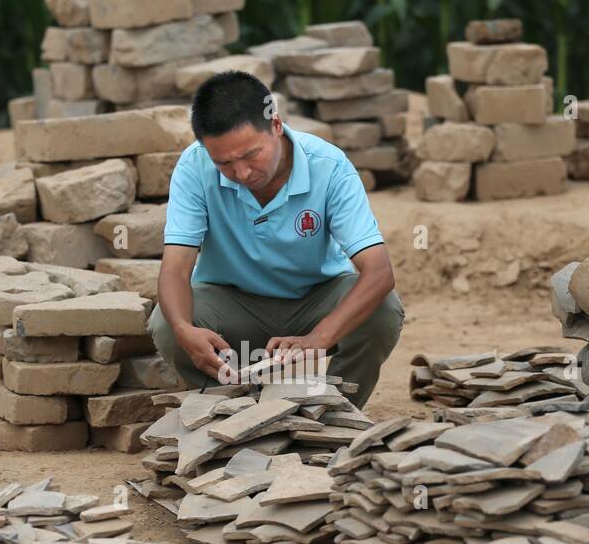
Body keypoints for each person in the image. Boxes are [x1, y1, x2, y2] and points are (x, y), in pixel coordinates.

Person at [148, 70, 404, 409]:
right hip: (232, 306)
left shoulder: (329, 166)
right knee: (167, 322)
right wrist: (183, 329)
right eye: (224, 163)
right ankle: (232, 413)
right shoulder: (194, 168)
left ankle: (334, 412)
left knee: (383, 311)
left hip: (316, 299)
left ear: (276, 125)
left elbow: (379, 272)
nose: (241, 173)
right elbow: (175, 270)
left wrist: (319, 337)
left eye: (251, 155)